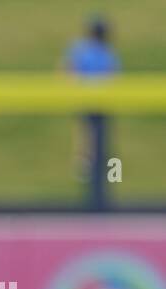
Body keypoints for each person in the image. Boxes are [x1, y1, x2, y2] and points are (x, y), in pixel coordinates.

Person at [63, 16, 121, 183]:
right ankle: (86, 166)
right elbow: (71, 72)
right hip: (89, 99)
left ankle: (95, 168)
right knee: (88, 133)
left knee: (91, 133)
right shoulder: (88, 50)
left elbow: (70, 72)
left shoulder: (100, 51)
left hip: (97, 99)